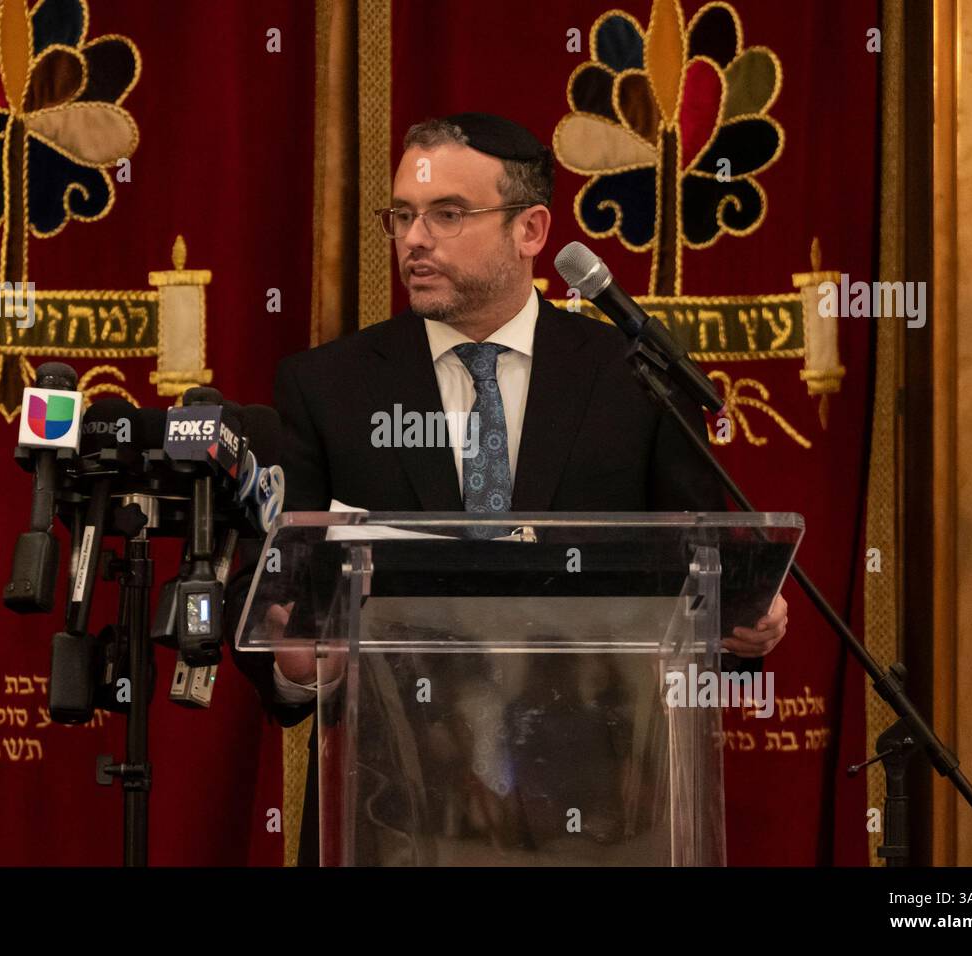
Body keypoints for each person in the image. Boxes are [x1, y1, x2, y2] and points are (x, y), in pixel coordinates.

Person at [228, 112, 787, 864]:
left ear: (531, 230)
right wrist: (296, 666)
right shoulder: (327, 387)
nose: (413, 239)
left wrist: (744, 624)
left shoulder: (633, 379)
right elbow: (261, 595)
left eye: (447, 214)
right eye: (403, 215)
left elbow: (701, 575)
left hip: (604, 815)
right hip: (394, 818)